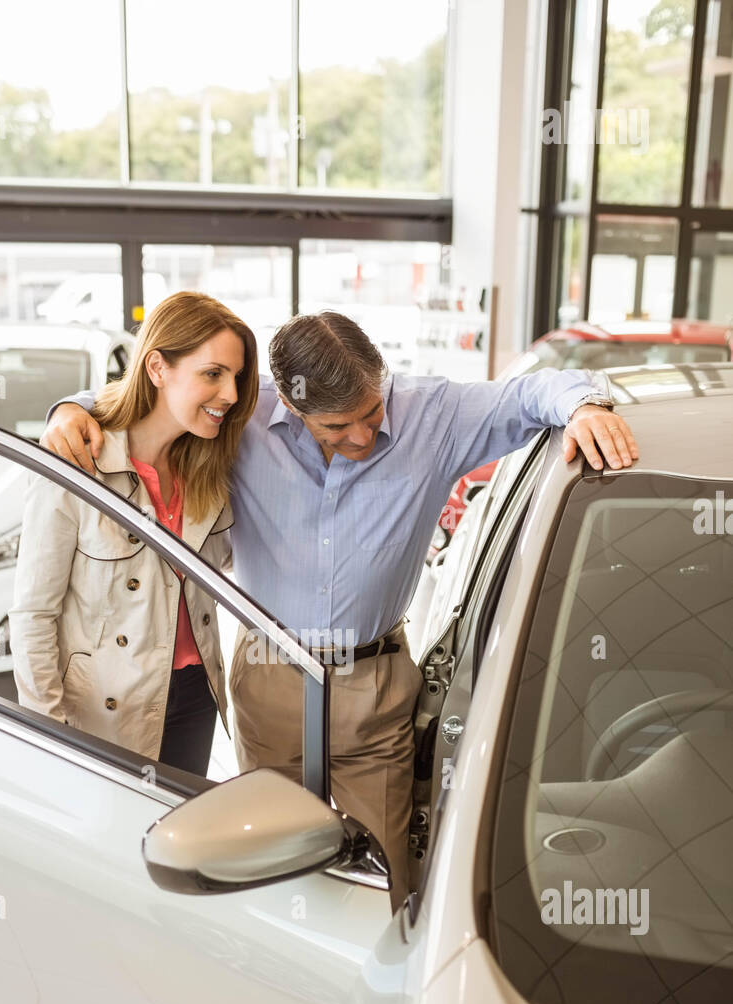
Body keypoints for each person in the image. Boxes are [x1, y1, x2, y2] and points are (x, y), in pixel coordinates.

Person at [42, 311, 638, 907]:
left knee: (380, 884)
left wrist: (586, 408)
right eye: (336, 426)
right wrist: (71, 409)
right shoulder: (242, 418)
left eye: (371, 414)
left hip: (373, 690)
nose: (360, 437)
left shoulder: (434, 416)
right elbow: (153, 403)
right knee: (266, 871)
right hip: (269, 682)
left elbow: (535, 392)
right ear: (292, 404)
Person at [10, 290, 258, 776]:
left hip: (196, 693)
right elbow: (34, 614)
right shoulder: (76, 460)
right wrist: (47, 732)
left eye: (236, 376)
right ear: (158, 368)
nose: (231, 394)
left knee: (176, 822)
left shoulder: (208, 465)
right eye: (213, 374)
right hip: (104, 709)